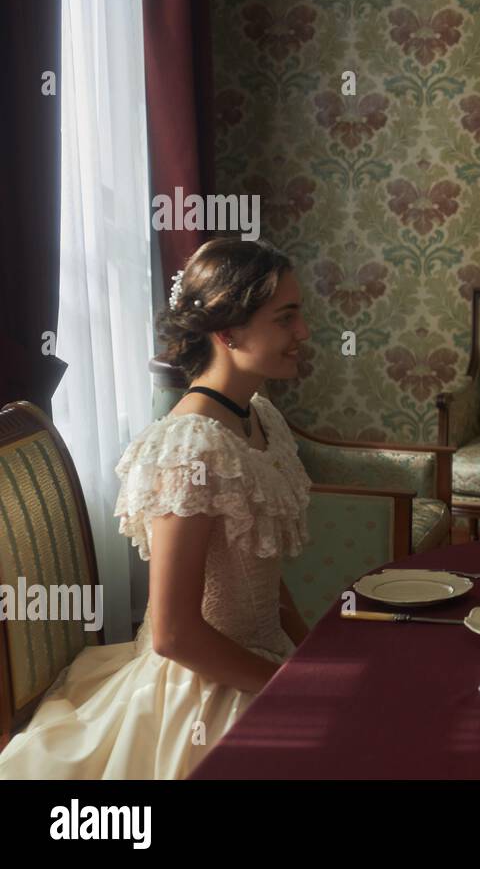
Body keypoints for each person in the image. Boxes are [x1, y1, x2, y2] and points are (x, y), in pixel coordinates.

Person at [0, 238, 313, 779]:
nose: (303, 333)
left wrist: (312, 654)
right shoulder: (188, 450)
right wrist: (283, 687)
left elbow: (260, 561)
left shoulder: (259, 417)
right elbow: (172, 633)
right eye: (286, 319)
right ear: (228, 332)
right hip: (204, 683)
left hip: (267, 656)